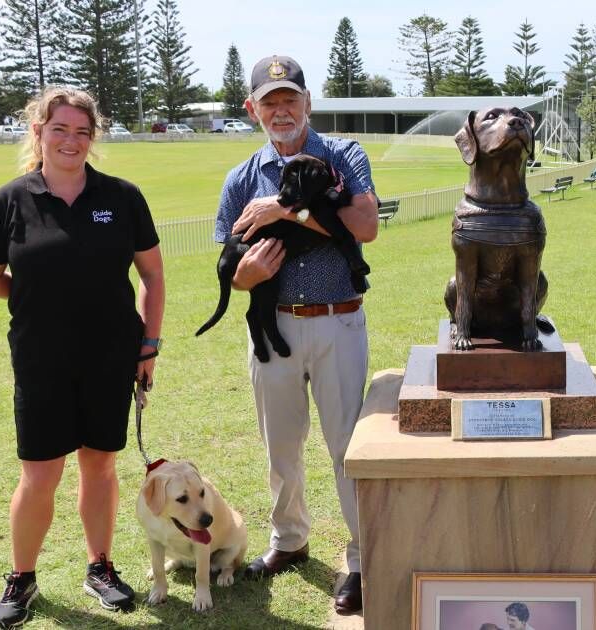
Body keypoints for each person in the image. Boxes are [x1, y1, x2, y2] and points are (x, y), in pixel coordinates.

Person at [0, 86, 165, 628]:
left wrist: (148, 344)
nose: (71, 141)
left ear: (92, 137)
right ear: (39, 132)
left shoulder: (122, 197)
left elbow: (151, 274)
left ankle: (100, 567)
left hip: (111, 355)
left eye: (82, 131)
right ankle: (22, 577)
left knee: (99, 466)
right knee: (39, 474)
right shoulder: (8, 201)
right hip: (41, 358)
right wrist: (37, 296)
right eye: (59, 129)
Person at [214, 55, 378, 615]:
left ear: (308, 102)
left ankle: (362, 559)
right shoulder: (241, 177)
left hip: (338, 319)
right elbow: (232, 267)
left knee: (347, 446)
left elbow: (366, 227)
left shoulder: (343, 156)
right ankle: (289, 539)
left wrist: (287, 211)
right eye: (270, 102)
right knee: (280, 444)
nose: (281, 111)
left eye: (290, 99)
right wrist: (245, 277)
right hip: (275, 325)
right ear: (252, 109)